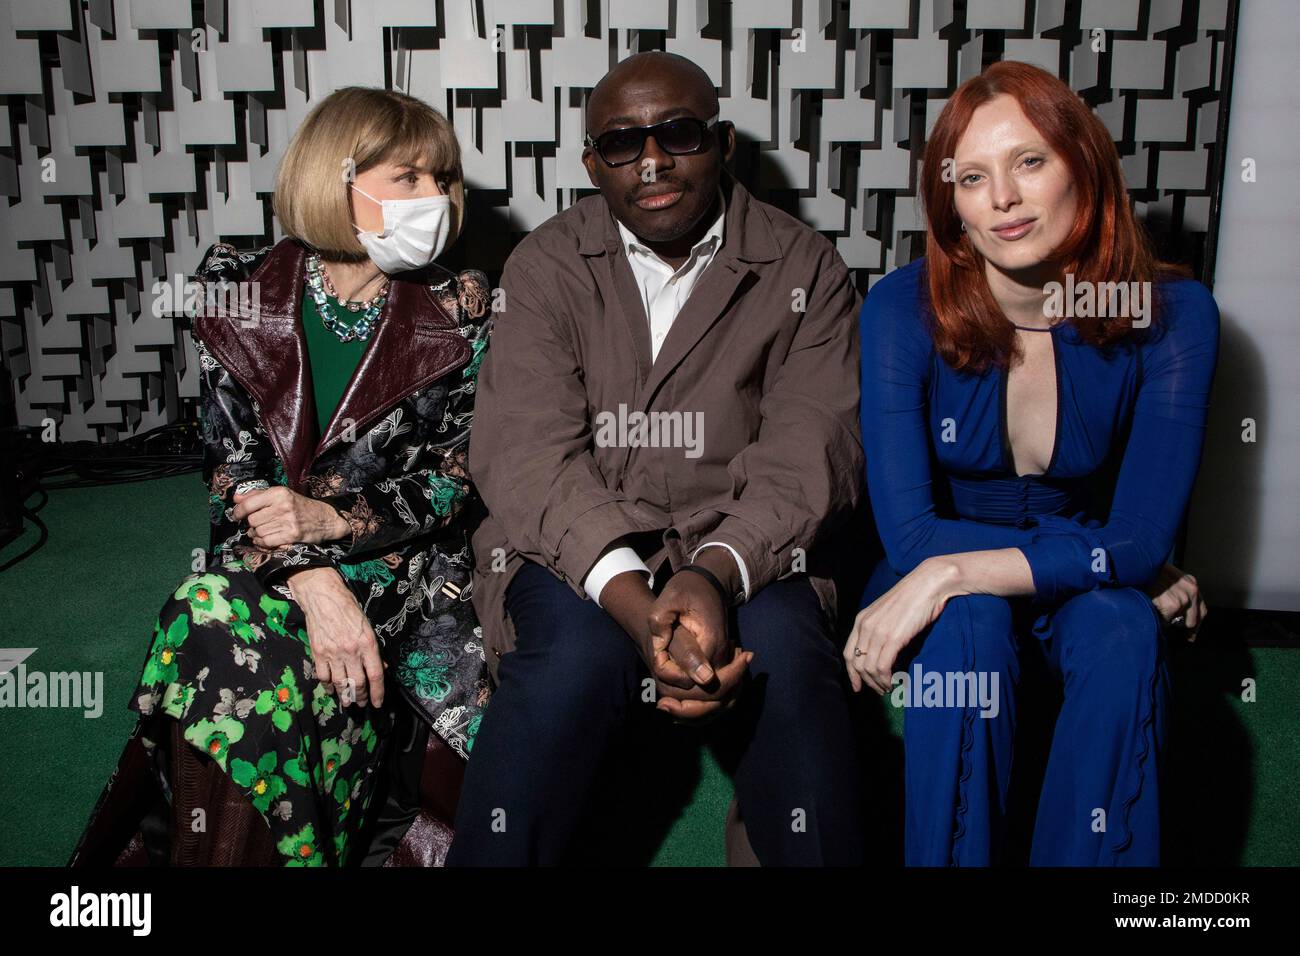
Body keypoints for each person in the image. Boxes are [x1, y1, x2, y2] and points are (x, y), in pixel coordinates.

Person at [447, 51, 867, 866]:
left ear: (724, 142)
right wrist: (639, 604)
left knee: (786, 661)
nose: (652, 161)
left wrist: (713, 572)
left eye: (678, 133)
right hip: (576, 551)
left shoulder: (804, 267)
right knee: (572, 660)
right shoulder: (543, 267)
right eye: (622, 143)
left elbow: (815, 448)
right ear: (591, 165)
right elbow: (526, 450)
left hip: (756, 554)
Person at [71, 86, 492, 866]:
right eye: (409, 178)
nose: (434, 198)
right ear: (339, 179)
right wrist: (310, 575)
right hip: (263, 554)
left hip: (399, 571)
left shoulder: (461, 305)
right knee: (216, 614)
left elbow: (456, 477)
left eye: (444, 179)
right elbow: (229, 466)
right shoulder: (236, 283)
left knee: (213, 631)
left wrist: (335, 528)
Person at [850, 61, 1219, 866]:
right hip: (946, 565)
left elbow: (1144, 535)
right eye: (972, 176)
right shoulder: (898, 308)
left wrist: (1117, 561)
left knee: (1124, 630)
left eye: (1029, 162)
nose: (1003, 199)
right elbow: (914, 540)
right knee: (971, 627)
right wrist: (1109, 560)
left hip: (1067, 566)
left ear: (1082, 166)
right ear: (951, 203)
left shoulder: (1173, 314)